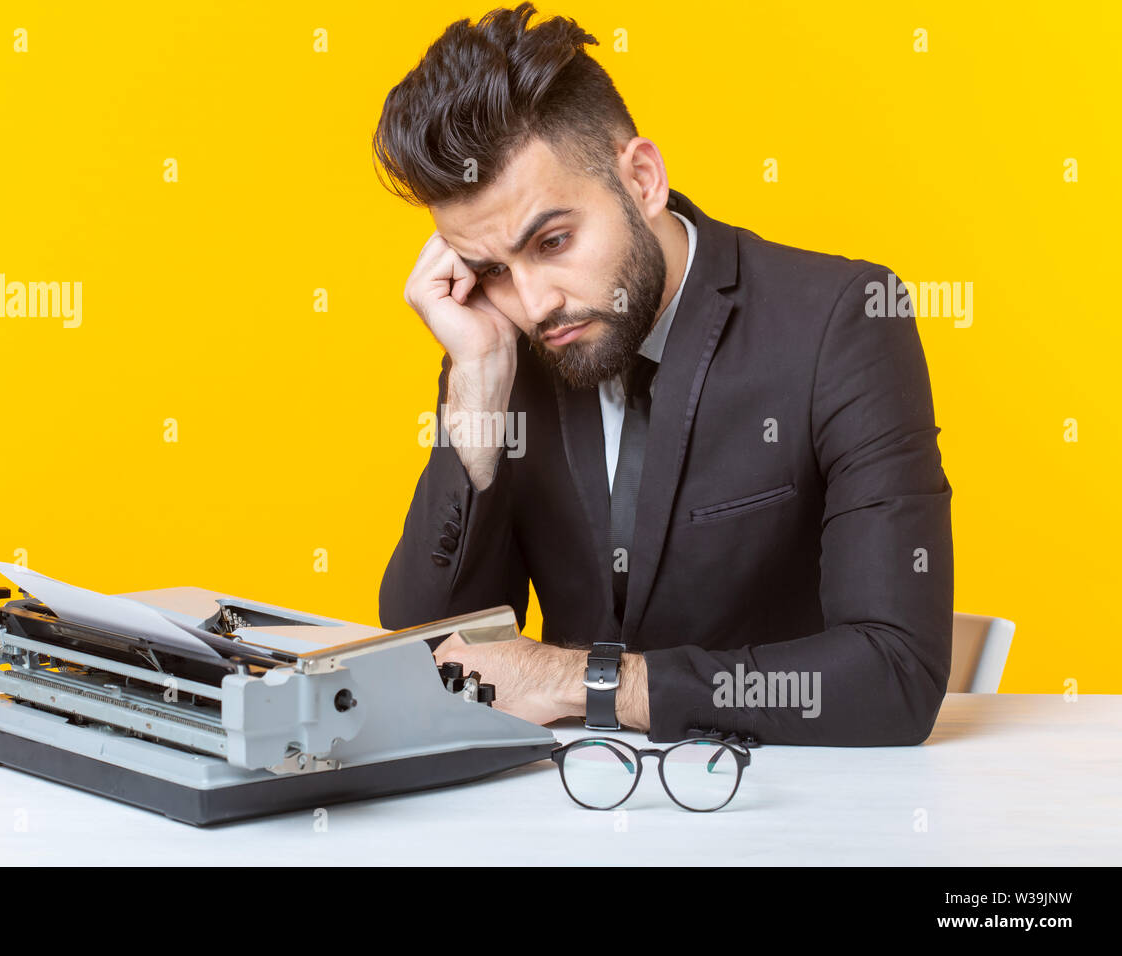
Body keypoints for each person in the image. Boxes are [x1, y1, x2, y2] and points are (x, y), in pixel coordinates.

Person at [374, 3, 953, 745]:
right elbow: (427, 665)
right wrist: (478, 399)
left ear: (642, 179)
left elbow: (895, 674)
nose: (536, 300)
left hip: (781, 814)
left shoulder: (841, 322)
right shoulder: (502, 339)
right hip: (566, 818)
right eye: (491, 268)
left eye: (553, 240)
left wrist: (578, 682)